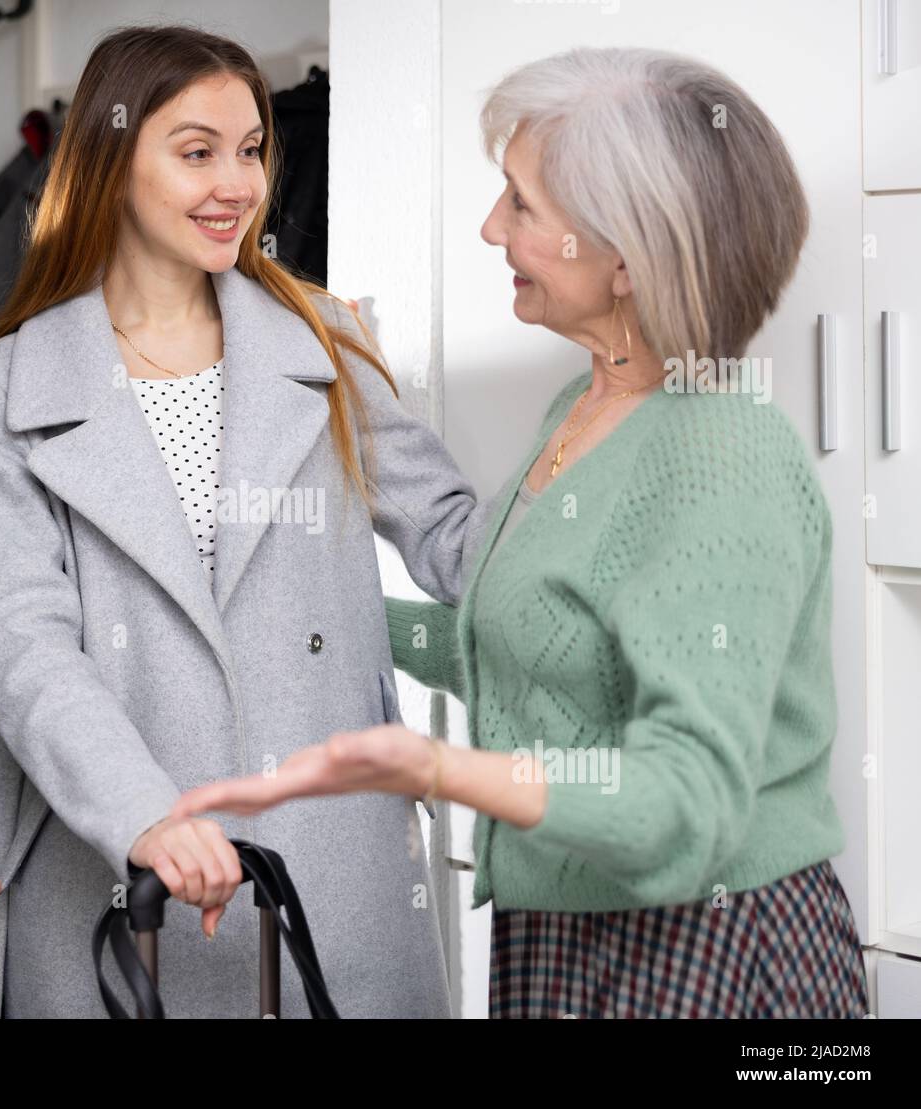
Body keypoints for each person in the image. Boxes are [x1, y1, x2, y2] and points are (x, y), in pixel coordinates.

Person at [175, 46, 870, 1019]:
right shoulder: (584, 408)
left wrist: (433, 766)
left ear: (624, 253)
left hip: (699, 949)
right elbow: (541, 656)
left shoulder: (719, 453)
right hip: (565, 929)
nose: (489, 226)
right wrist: (311, 609)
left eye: (522, 205)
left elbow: (688, 798)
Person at [0, 24, 490, 1018]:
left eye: (250, 150)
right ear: (111, 165)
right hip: (115, 872)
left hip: (329, 866)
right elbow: (23, 642)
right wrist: (144, 812)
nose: (236, 184)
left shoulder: (322, 336)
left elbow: (456, 536)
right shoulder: (8, 386)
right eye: (196, 152)